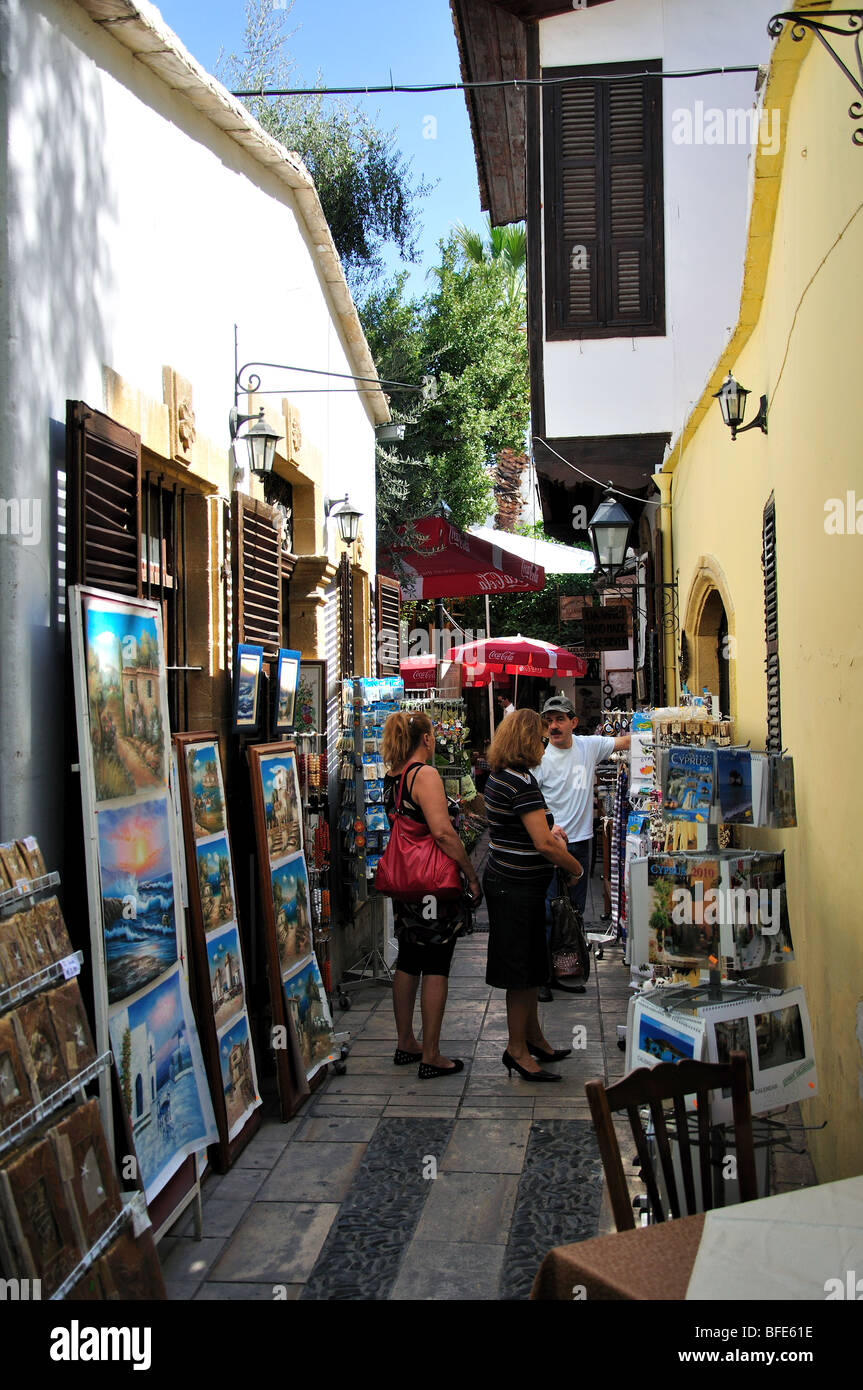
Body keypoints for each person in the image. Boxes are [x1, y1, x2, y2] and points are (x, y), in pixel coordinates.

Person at [483, 709, 585, 1081]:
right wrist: (574, 866)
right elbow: (542, 843)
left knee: (530, 965)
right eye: (540, 738)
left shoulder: (501, 777)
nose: (545, 744)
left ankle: (534, 1038)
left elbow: (525, 828)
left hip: (508, 881)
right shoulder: (520, 782)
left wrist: (548, 829)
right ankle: (517, 1049)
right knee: (522, 972)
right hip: (517, 888)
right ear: (527, 740)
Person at [381, 710, 482, 1079]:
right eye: (434, 735)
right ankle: (432, 1054)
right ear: (426, 739)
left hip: (406, 882)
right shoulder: (424, 775)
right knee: (436, 963)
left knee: (408, 959)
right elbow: (441, 833)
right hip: (432, 886)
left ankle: (406, 1041)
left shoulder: (393, 777)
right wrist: (471, 875)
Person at [533, 695, 631, 1000]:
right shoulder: (539, 759)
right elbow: (530, 804)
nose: (553, 726)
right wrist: (548, 830)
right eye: (548, 721)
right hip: (551, 846)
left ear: (573, 723)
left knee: (573, 911)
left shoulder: (588, 745)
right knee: (549, 910)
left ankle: (566, 969)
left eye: (559, 719)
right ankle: (542, 978)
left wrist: (658, 728)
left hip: (580, 842)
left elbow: (624, 742)